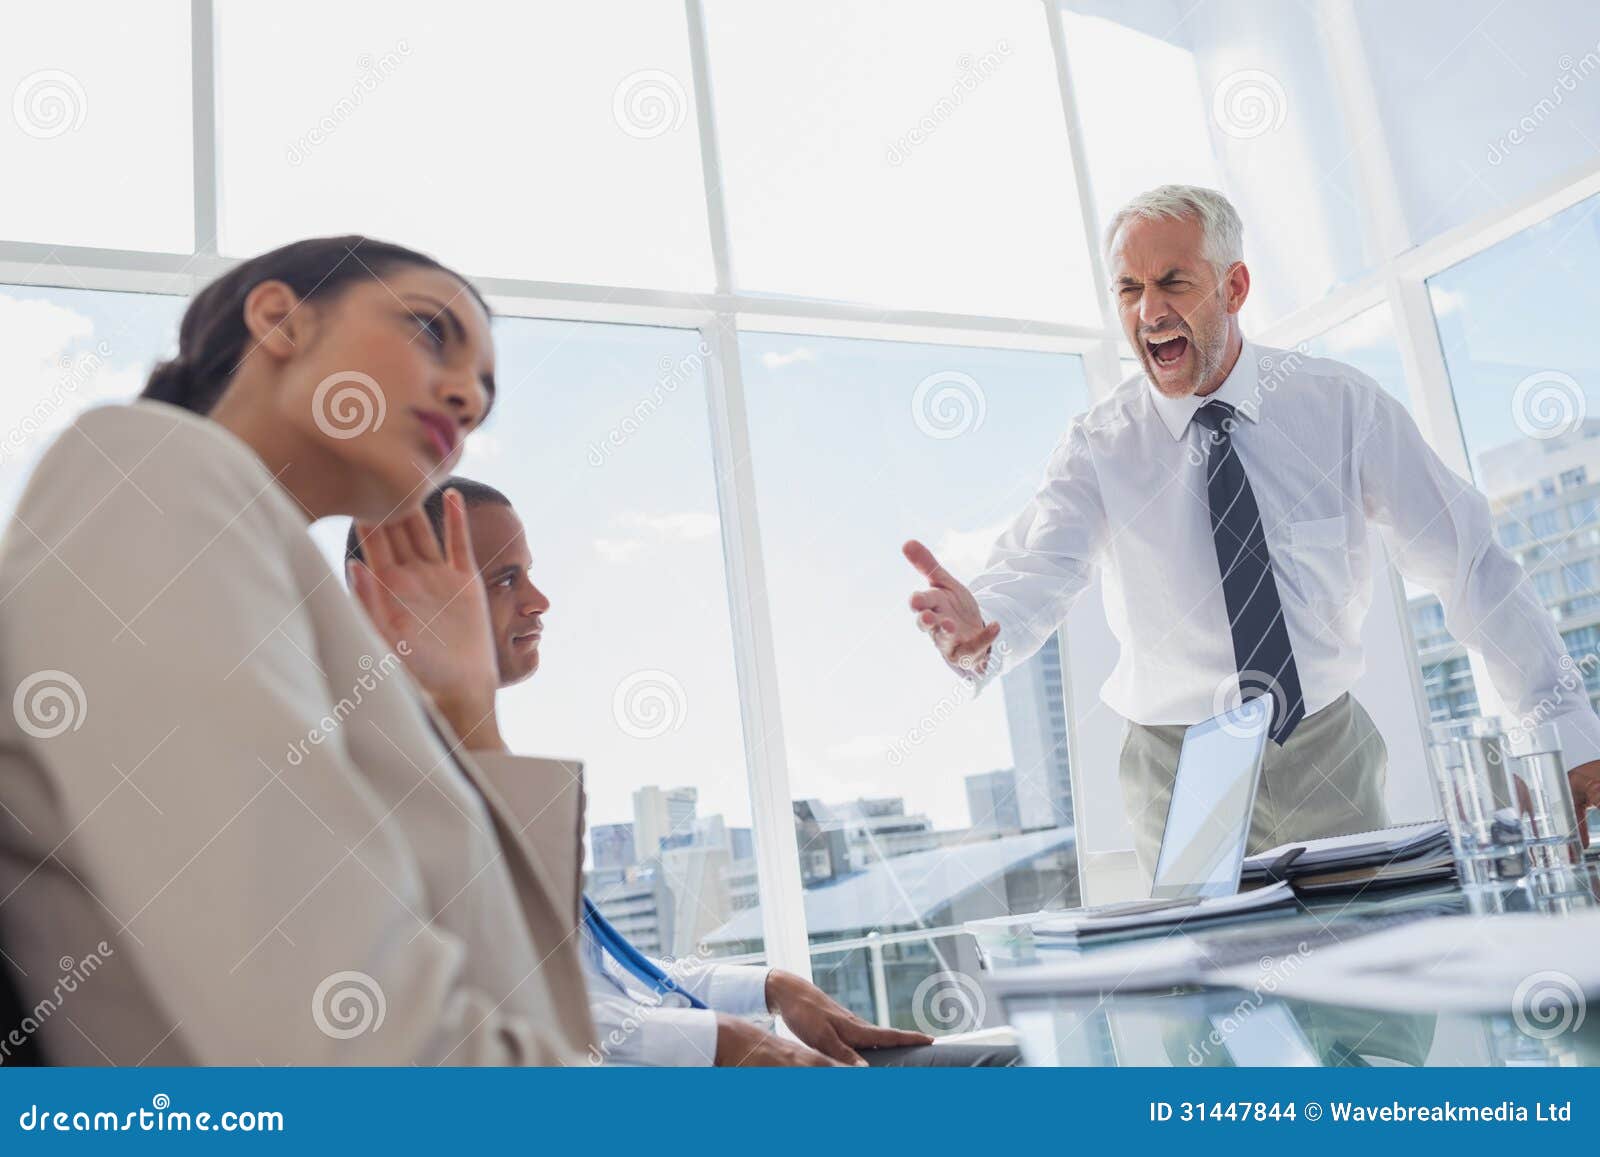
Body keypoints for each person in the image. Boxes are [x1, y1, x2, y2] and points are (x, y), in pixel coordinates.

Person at [0, 237, 593, 1064]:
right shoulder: (154, 475)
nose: (467, 399)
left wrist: (464, 703)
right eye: (431, 332)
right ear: (281, 319)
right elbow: (345, 1036)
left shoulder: (281, 598)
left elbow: (498, 977)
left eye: (484, 397)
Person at [905, 184, 1600, 872]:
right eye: (1128, 289)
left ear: (1234, 286)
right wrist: (980, 628)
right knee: (1207, 947)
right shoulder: (1099, 444)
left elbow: (1471, 564)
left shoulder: (1342, 408)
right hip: (1178, 767)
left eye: (1173, 281)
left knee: (1360, 937)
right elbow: (1041, 565)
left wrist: (1565, 732)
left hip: (1325, 747)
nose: (1149, 311)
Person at [347, 480, 1021, 1067]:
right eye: (503, 580)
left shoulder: (477, 769)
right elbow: (518, 1018)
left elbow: (602, 979)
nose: (540, 600)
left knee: (1013, 1058)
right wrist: (723, 1040)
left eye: (528, 573)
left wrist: (768, 987)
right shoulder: (377, 792)